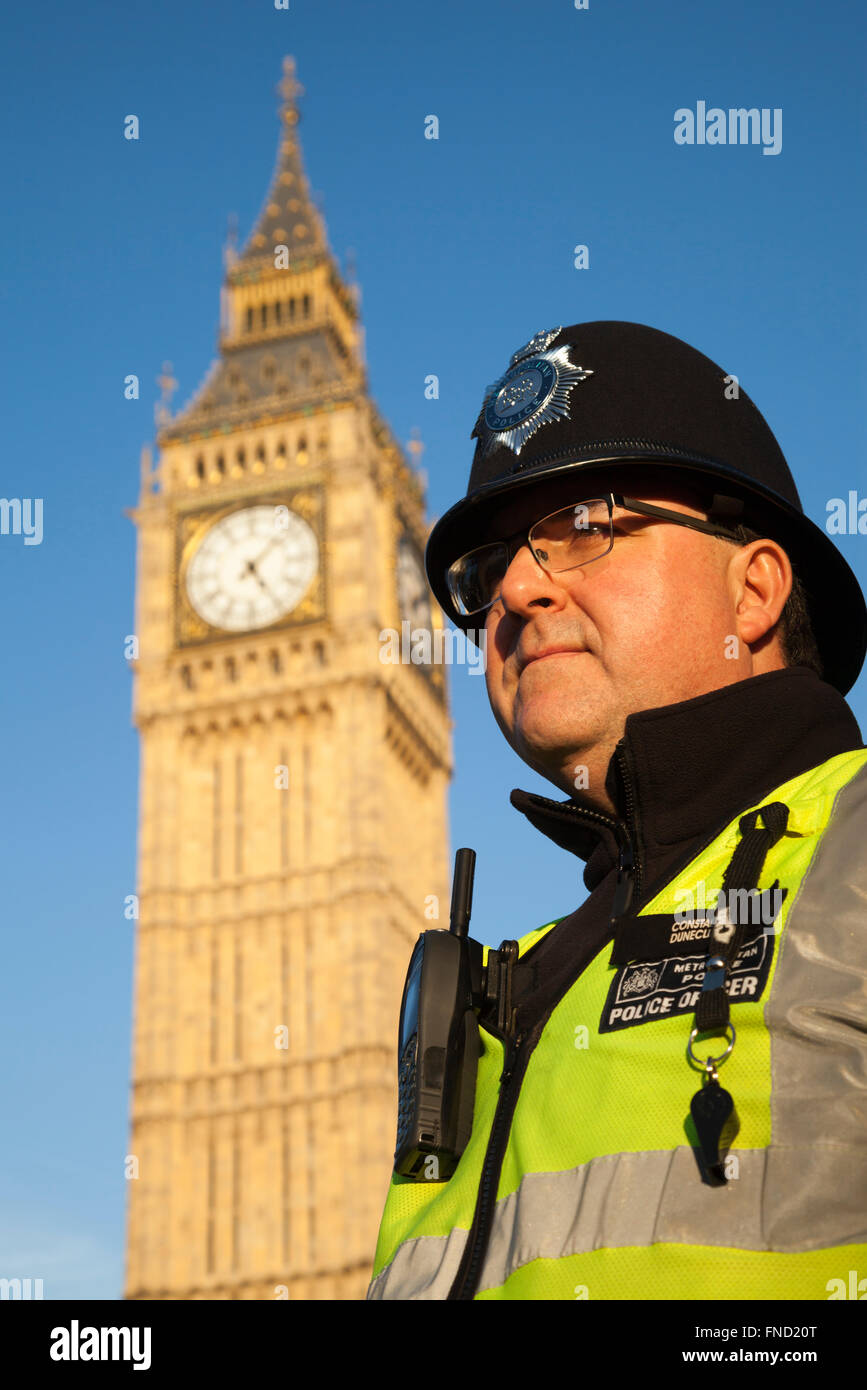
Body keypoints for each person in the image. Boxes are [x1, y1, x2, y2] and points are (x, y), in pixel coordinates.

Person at [366, 321, 867, 1301]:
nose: (513, 587)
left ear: (756, 586)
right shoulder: (505, 989)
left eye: (588, 524)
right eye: (490, 568)